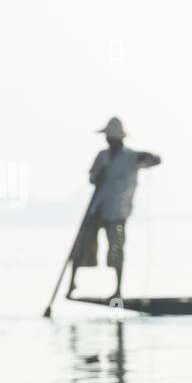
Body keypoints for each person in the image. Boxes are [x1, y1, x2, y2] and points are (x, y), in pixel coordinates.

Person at [66, 118, 161, 300]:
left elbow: (156, 160)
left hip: (117, 212)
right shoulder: (102, 156)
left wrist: (146, 156)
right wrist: (98, 174)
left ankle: (118, 290)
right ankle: (72, 283)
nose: (108, 140)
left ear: (118, 138)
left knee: (116, 249)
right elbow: (92, 178)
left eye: (111, 137)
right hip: (96, 209)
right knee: (81, 246)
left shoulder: (131, 157)